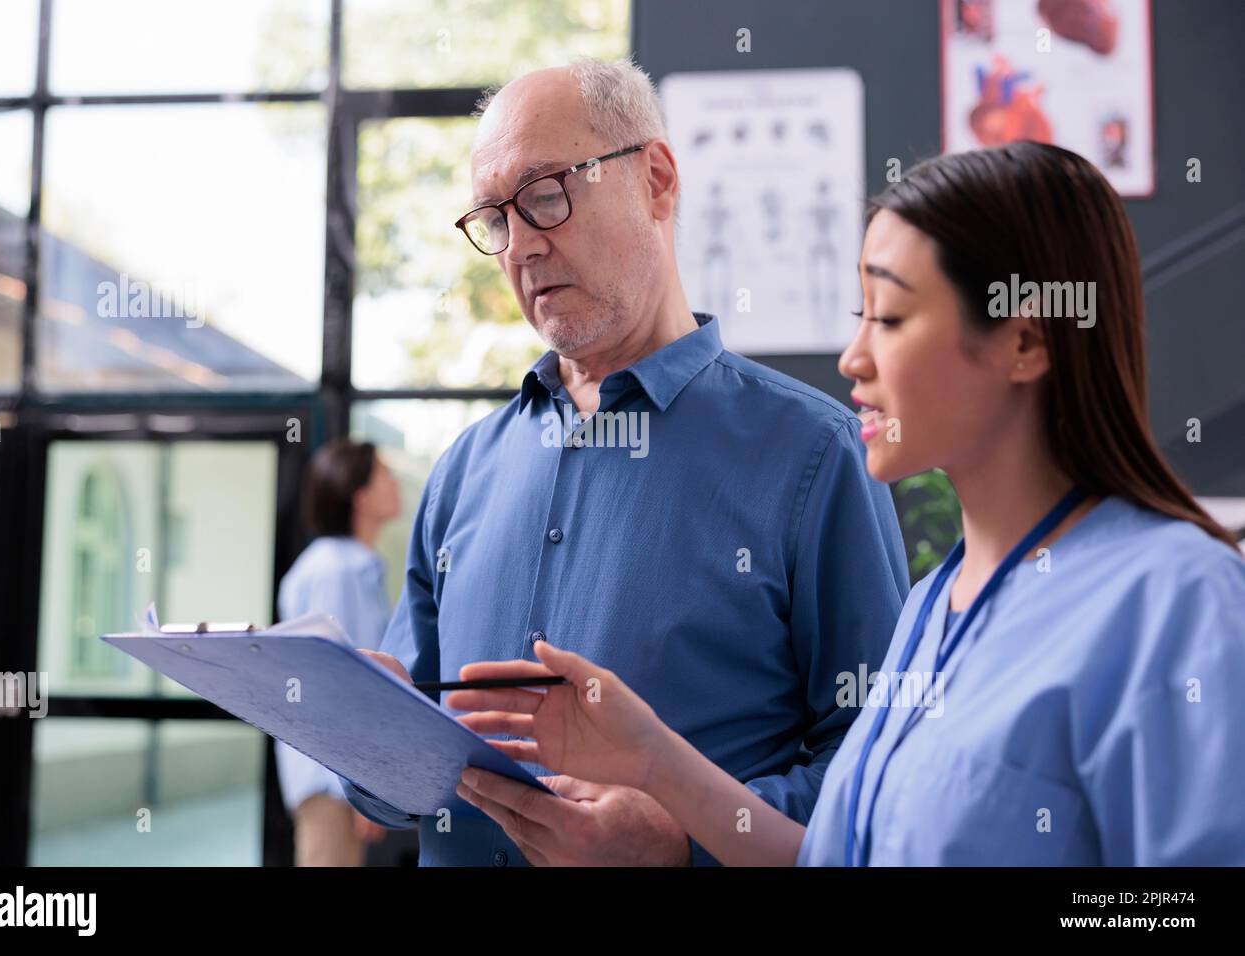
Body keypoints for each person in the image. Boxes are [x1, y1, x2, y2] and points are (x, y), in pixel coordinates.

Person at [449, 141, 1245, 865]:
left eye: (890, 317)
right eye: (859, 316)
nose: (852, 356)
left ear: (1026, 341)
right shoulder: (938, 605)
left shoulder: (1177, 599)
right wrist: (655, 760)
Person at [341, 57, 909, 866]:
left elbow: (878, 772)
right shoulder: (463, 469)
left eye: (545, 195)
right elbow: (411, 765)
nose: (522, 249)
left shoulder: (813, 457)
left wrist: (681, 842)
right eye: (495, 220)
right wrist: (362, 733)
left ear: (658, 181)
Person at [277, 438, 401, 866]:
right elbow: (341, 686)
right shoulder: (339, 571)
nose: (395, 482)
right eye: (384, 473)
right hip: (333, 782)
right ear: (360, 496)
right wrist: (361, 785)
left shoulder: (347, 565)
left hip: (332, 777)